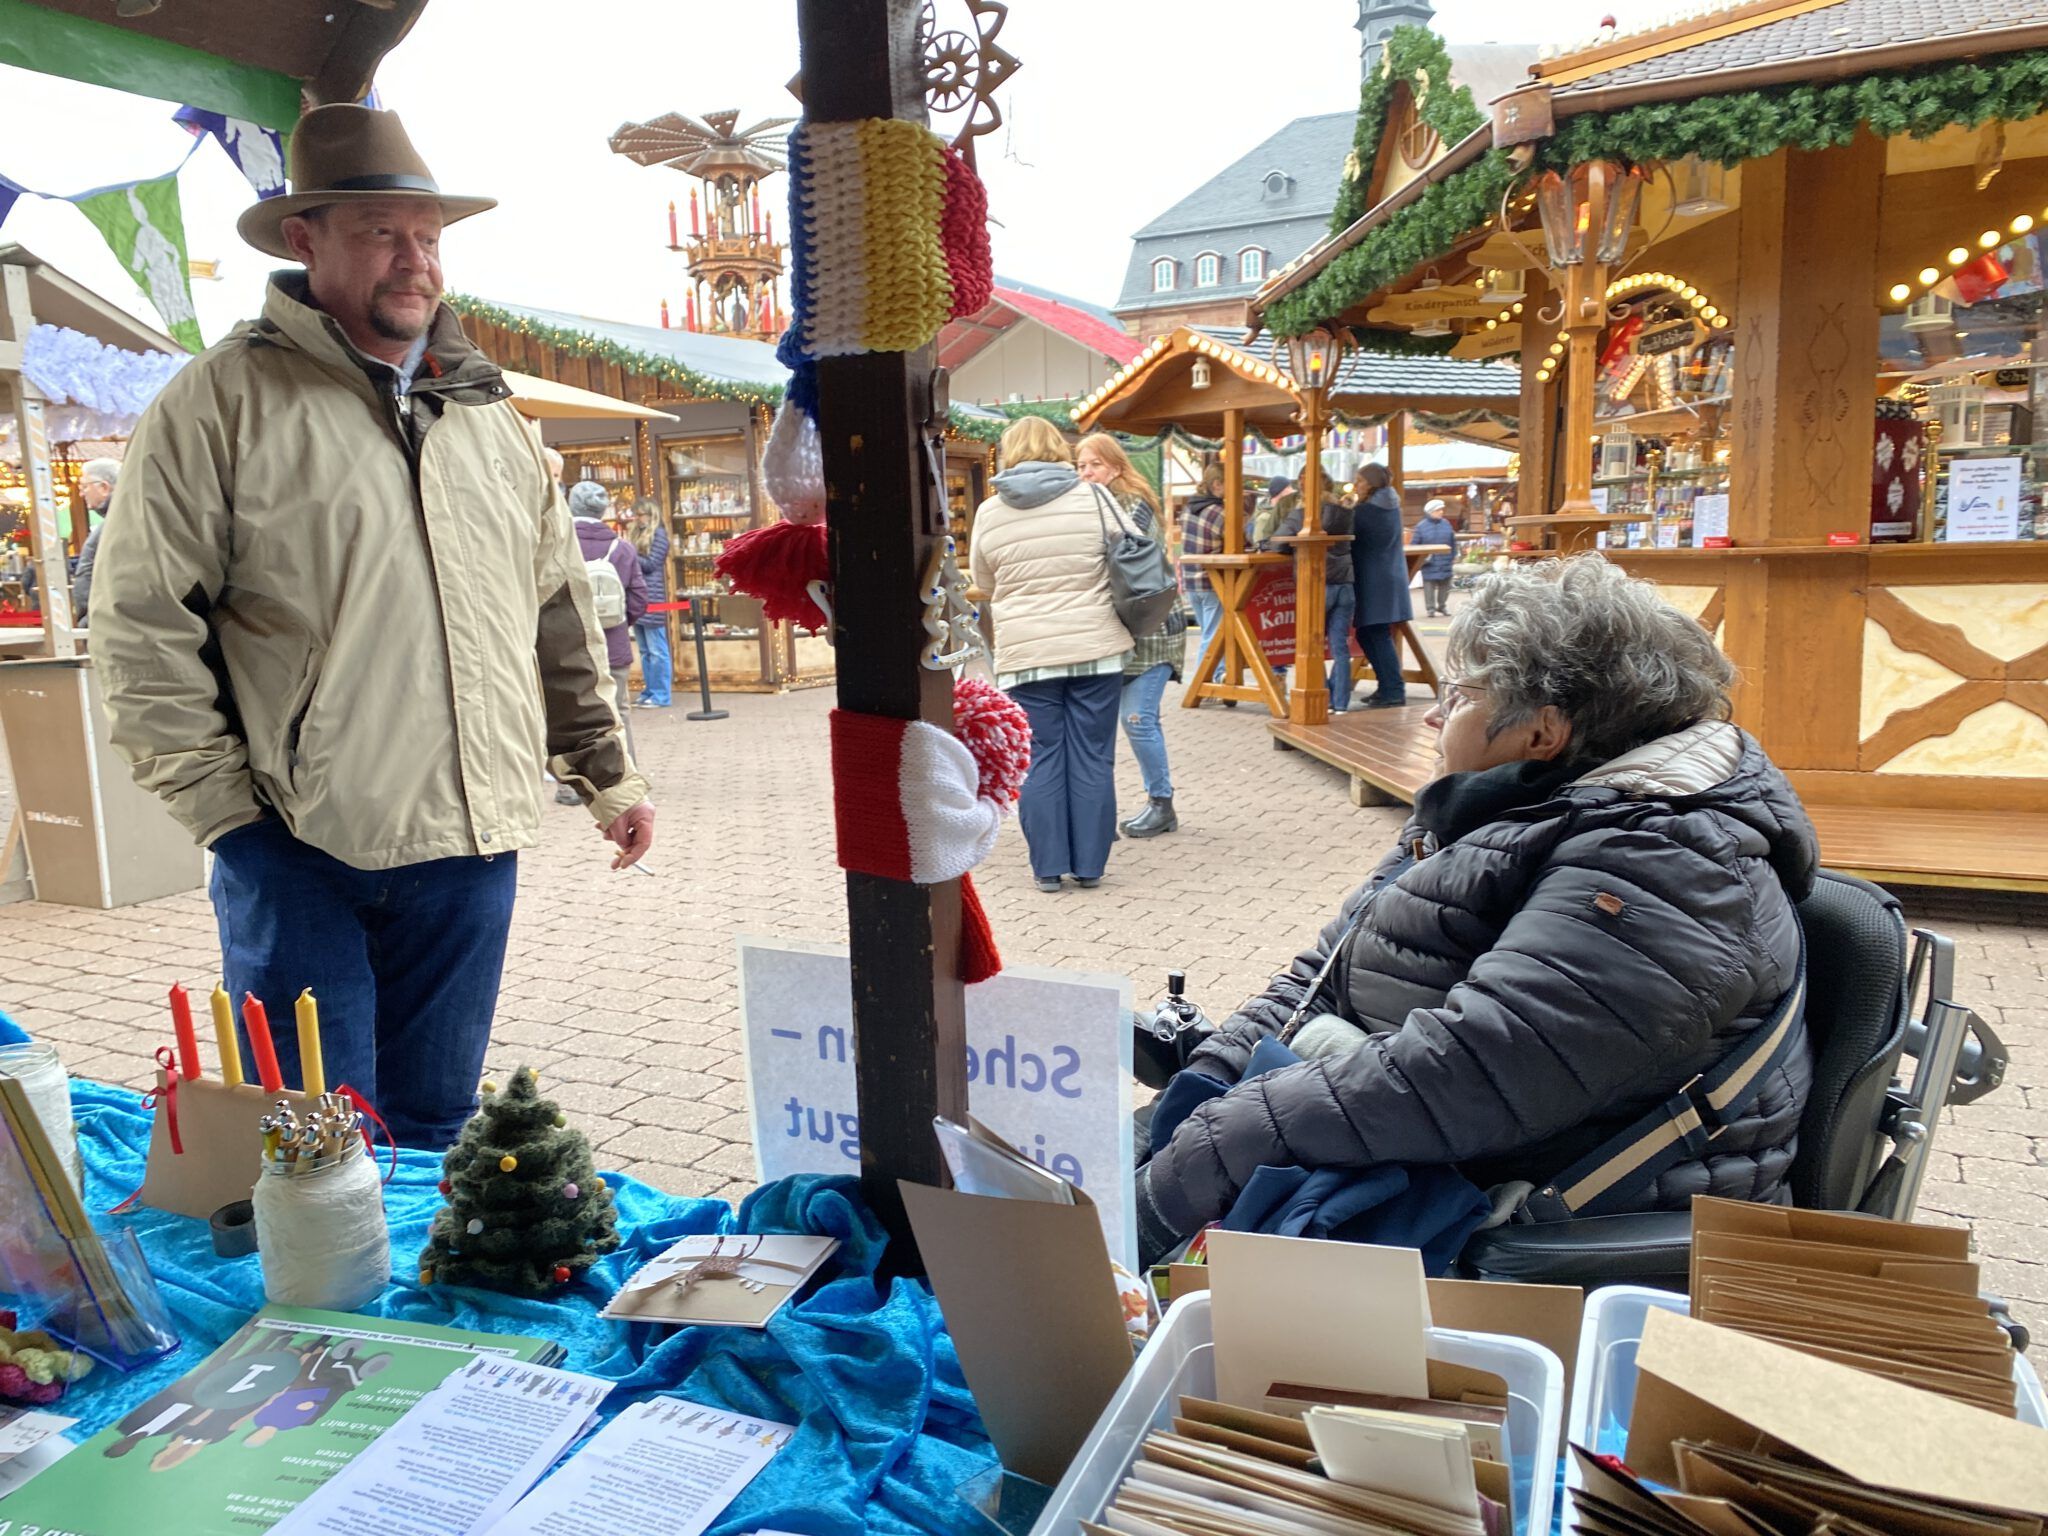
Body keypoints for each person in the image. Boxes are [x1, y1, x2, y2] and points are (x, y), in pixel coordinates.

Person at [91, 104, 654, 1149]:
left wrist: (603, 771)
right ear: (305, 238)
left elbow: (555, 611)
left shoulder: (487, 416)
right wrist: (227, 816)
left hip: (470, 847)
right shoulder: (219, 403)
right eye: (380, 233)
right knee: (314, 1145)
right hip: (298, 847)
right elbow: (138, 620)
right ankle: (329, 1319)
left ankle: (421, 1319)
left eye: (428, 235)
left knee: (437, 1131)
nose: (414, 260)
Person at [1132, 557, 1816, 1265]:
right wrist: (1206, 1080)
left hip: (1555, 1228)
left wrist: (1213, 1146)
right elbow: (1319, 977)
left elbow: (1468, 1072)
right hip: (1423, 1163)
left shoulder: (1669, 864)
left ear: (1543, 733)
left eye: (1457, 696)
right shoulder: (1497, 809)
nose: (1432, 713)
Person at [969, 416, 1134, 892]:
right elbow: (1129, 553)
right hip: (1096, 647)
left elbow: (985, 581)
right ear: (1059, 449)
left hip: (1026, 652)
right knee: (1093, 756)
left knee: (1039, 758)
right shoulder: (1095, 497)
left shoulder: (990, 511)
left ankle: (1047, 869)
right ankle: (1089, 866)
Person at [1078, 432, 1184, 838]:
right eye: (1081, 465)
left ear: (1116, 467)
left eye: (1095, 465)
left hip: (1153, 628)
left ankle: (1162, 804)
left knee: (1138, 719)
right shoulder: (1097, 503)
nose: (1087, 472)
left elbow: (1123, 557)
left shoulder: (1129, 505)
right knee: (1110, 722)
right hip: (1119, 630)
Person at [562, 479, 647, 803]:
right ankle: (628, 778)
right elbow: (638, 598)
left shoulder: (561, 543)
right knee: (619, 713)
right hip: (614, 646)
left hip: (569, 645)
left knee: (570, 714)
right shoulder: (622, 547)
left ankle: (574, 787)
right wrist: (619, 626)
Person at [1263, 477, 1357, 712]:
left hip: (1316, 584)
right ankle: (1341, 703)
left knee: (1311, 644)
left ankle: (1321, 698)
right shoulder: (1344, 515)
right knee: (1340, 647)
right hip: (1345, 583)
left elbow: (1277, 544)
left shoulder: (1302, 515)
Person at [1351, 462, 1411, 707]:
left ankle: (1393, 689)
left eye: (1360, 481)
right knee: (1371, 633)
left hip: (1373, 579)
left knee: (1375, 633)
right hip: (1389, 577)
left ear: (1372, 484)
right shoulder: (1391, 506)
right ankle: (1387, 686)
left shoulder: (1366, 511)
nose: (1356, 485)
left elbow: (1346, 536)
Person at [1179, 465, 1229, 689]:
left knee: (1209, 633)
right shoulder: (1220, 513)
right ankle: (1201, 684)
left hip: (1190, 580)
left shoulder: (1189, 508)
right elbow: (1241, 543)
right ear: (1217, 484)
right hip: (1211, 580)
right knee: (1212, 635)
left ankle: (1218, 676)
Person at [630, 498, 673, 709]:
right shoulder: (638, 535)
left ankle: (661, 695)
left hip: (652, 596)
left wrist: (630, 555)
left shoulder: (660, 536)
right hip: (639, 595)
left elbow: (651, 564)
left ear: (651, 515)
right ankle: (650, 690)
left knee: (657, 649)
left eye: (640, 515)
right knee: (646, 651)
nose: (637, 519)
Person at [67, 458, 119, 624]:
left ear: (104, 487)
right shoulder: (118, 520)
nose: (81, 493)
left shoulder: (118, 523)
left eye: (84, 486)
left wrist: (91, 620)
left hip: (108, 624)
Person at [1412, 496, 1459, 618]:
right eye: (1438, 510)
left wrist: (1454, 555)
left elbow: (1452, 541)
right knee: (1429, 586)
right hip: (1429, 562)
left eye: (1441, 510)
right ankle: (1430, 609)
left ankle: (1442, 606)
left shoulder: (1446, 524)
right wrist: (1418, 560)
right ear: (1430, 511)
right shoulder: (1421, 526)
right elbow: (1414, 545)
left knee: (1446, 586)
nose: (1441, 512)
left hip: (1445, 560)